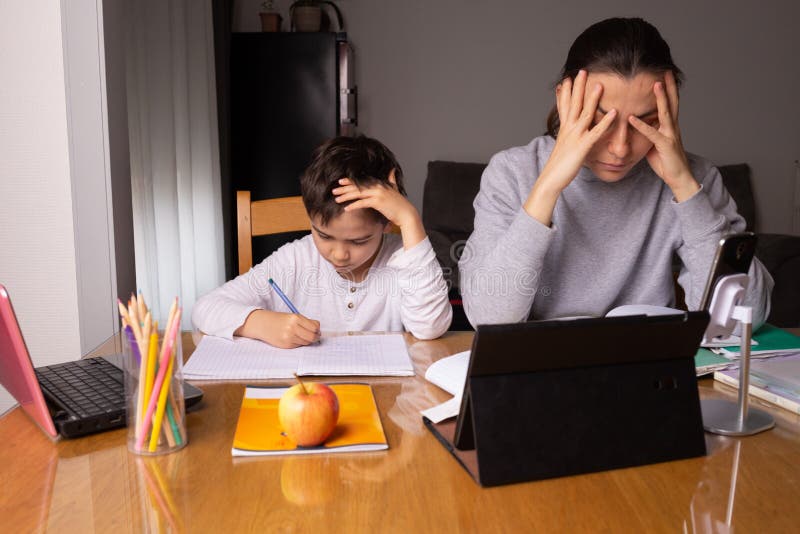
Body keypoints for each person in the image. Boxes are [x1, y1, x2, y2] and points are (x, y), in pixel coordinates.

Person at [459, 17, 773, 328]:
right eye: (601, 122)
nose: (621, 148)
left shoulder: (695, 179)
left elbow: (743, 320)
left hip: (650, 367)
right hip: (543, 370)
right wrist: (549, 186)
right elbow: (489, 318)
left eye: (644, 123)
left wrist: (686, 188)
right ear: (564, 99)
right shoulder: (512, 173)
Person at [193, 135, 452, 348]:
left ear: (387, 223)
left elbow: (430, 327)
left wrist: (409, 219)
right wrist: (260, 323)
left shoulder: (405, 261)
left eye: (359, 241)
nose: (339, 254)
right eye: (324, 235)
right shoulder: (296, 259)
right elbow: (205, 309)